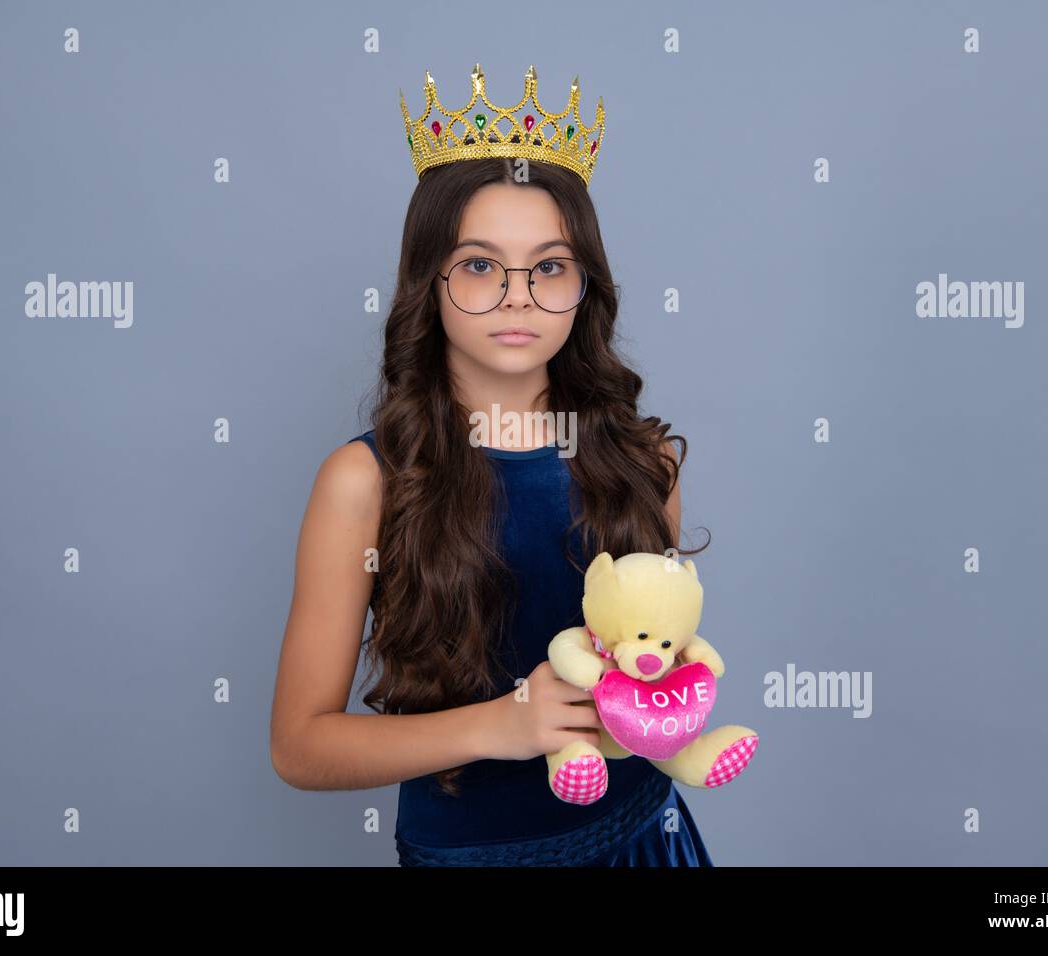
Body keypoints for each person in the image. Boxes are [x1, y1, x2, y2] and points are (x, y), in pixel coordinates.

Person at [270, 65, 740, 865]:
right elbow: (299, 747)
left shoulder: (642, 458)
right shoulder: (365, 484)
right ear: (430, 282)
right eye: (481, 266)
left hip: (644, 840)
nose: (517, 297)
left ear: (584, 287)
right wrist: (500, 725)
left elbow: (646, 649)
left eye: (549, 267)